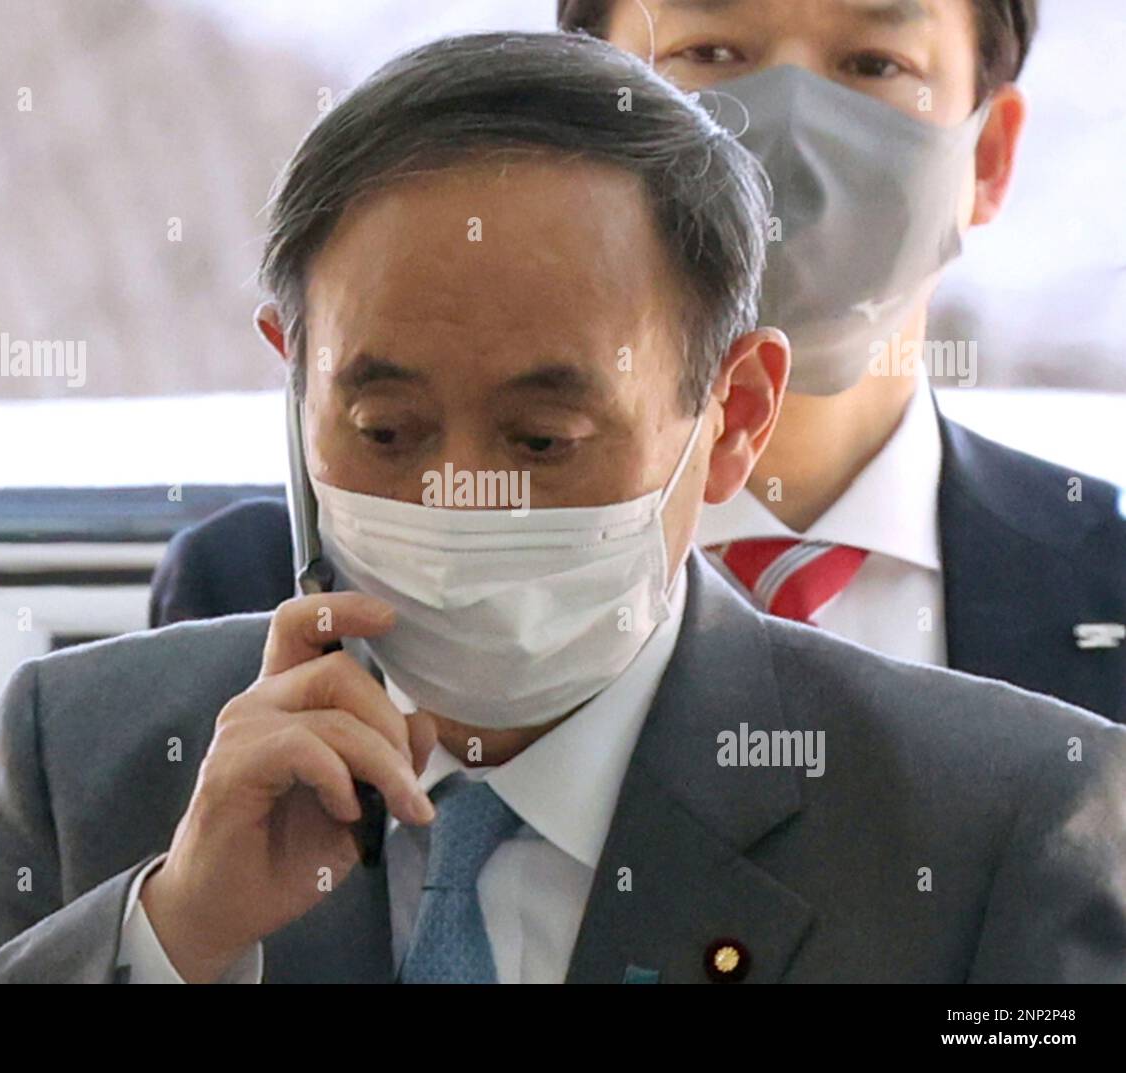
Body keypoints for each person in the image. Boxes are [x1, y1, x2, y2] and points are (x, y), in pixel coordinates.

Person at [0, 32, 1126, 985]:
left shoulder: (988, 821)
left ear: (734, 415)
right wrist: (162, 934)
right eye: (386, 431)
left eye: (543, 438)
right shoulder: (92, 752)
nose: (457, 495)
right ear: (292, 375)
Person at [151, 0, 1125, 723]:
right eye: (707, 53)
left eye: (872, 63)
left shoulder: (1105, 591)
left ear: (989, 156)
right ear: (580, 103)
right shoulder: (261, 588)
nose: (782, 128)